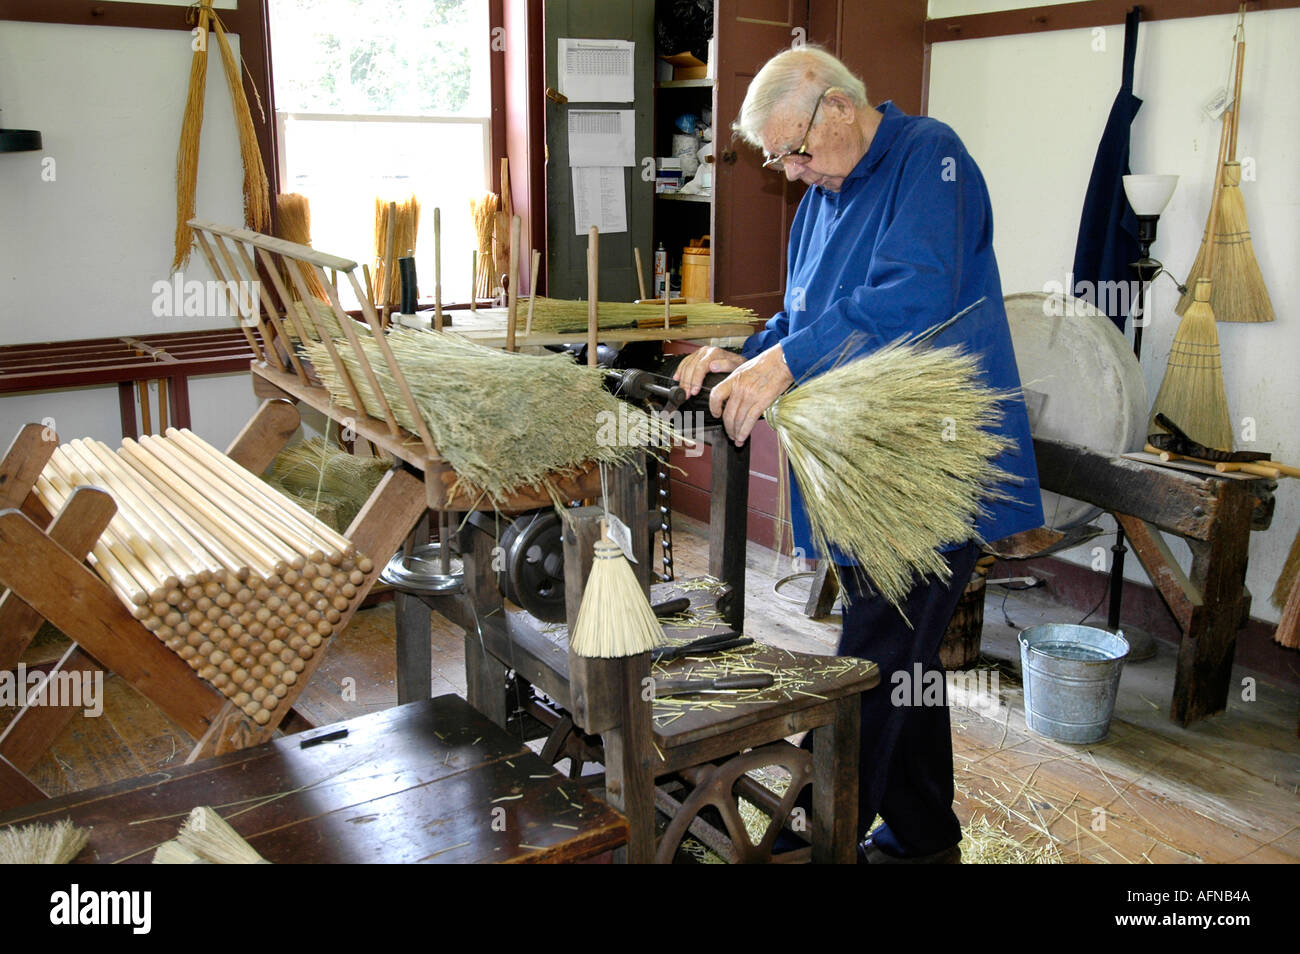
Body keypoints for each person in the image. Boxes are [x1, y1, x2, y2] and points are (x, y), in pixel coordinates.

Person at [674, 47, 1044, 863]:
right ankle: (924, 839)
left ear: (839, 106)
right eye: (781, 161)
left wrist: (783, 364)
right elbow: (805, 315)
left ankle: (815, 839)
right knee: (903, 654)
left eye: (796, 151)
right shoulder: (821, 201)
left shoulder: (929, 158)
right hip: (867, 471)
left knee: (871, 662)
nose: (795, 173)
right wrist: (745, 352)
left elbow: (912, 297)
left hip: (933, 468)